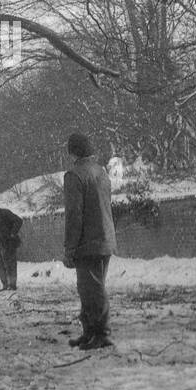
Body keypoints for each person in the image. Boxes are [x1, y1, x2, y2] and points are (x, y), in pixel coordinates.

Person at [63, 132, 116, 350]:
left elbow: (74, 216)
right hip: (105, 239)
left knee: (90, 290)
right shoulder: (101, 172)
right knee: (92, 288)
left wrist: (70, 248)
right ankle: (90, 333)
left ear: (73, 151)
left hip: (87, 243)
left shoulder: (74, 176)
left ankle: (101, 334)